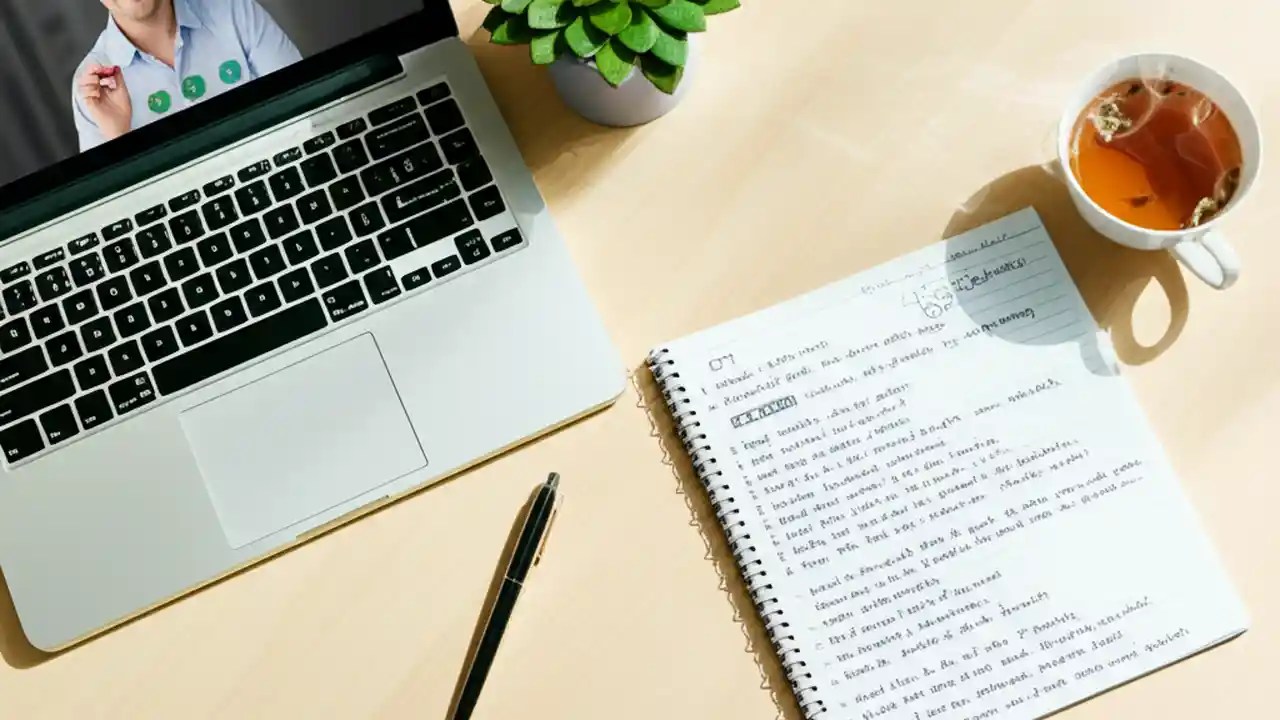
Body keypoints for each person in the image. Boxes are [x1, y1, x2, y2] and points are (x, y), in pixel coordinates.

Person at [73, 0, 302, 151]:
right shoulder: (90, 88)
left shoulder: (233, 9)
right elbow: (120, 211)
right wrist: (120, 139)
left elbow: (305, 111)